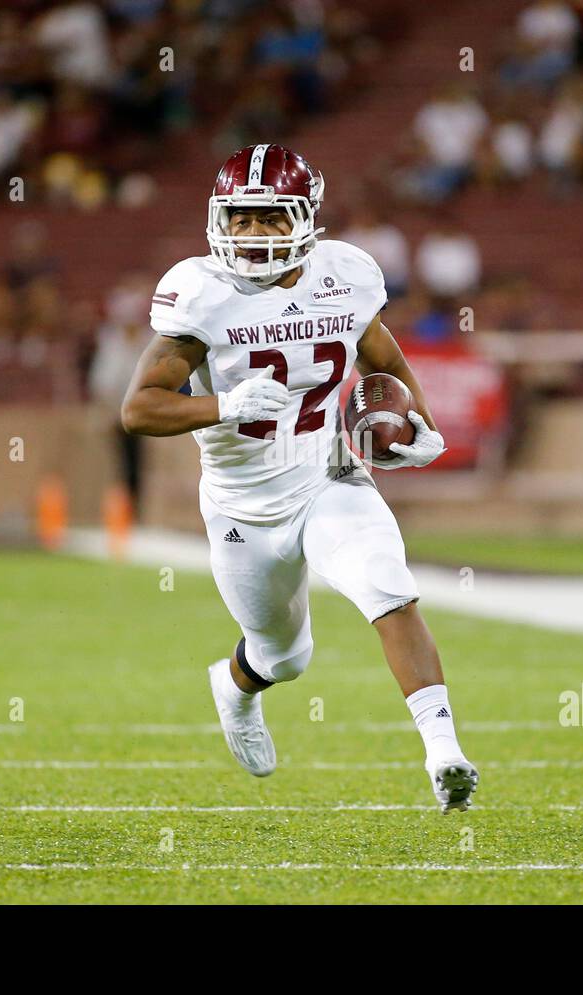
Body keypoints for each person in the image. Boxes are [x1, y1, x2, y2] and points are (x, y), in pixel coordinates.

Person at [120, 144, 478, 812]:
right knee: (284, 656)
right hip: (242, 506)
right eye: (241, 218)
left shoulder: (344, 275)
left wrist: (419, 427)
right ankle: (234, 689)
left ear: (306, 219)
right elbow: (137, 408)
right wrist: (223, 405)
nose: (252, 234)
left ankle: (444, 753)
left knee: (388, 587)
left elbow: (384, 357)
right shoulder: (203, 294)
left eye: (269, 218)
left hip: (327, 474)